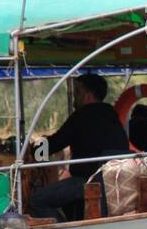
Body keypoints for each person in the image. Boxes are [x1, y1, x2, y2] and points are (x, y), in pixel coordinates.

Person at [29, 74, 130, 221]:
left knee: (37, 200)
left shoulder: (82, 116)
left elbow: (55, 143)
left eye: (76, 92)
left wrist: (34, 147)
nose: (74, 98)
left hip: (88, 179)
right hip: (114, 179)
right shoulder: (111, 115)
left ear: (87, 96)